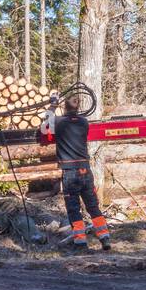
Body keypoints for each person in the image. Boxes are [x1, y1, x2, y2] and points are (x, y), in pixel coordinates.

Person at [38, 96, 111, 250]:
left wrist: (52, 106)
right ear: (78, 108)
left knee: (73, 208)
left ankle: (80, 242)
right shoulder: (84, 122)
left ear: (64, 107)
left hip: (70, 172)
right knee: (93, 206)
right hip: (85, 170)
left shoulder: (59, 122)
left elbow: (44, 129)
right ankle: (104, 237)